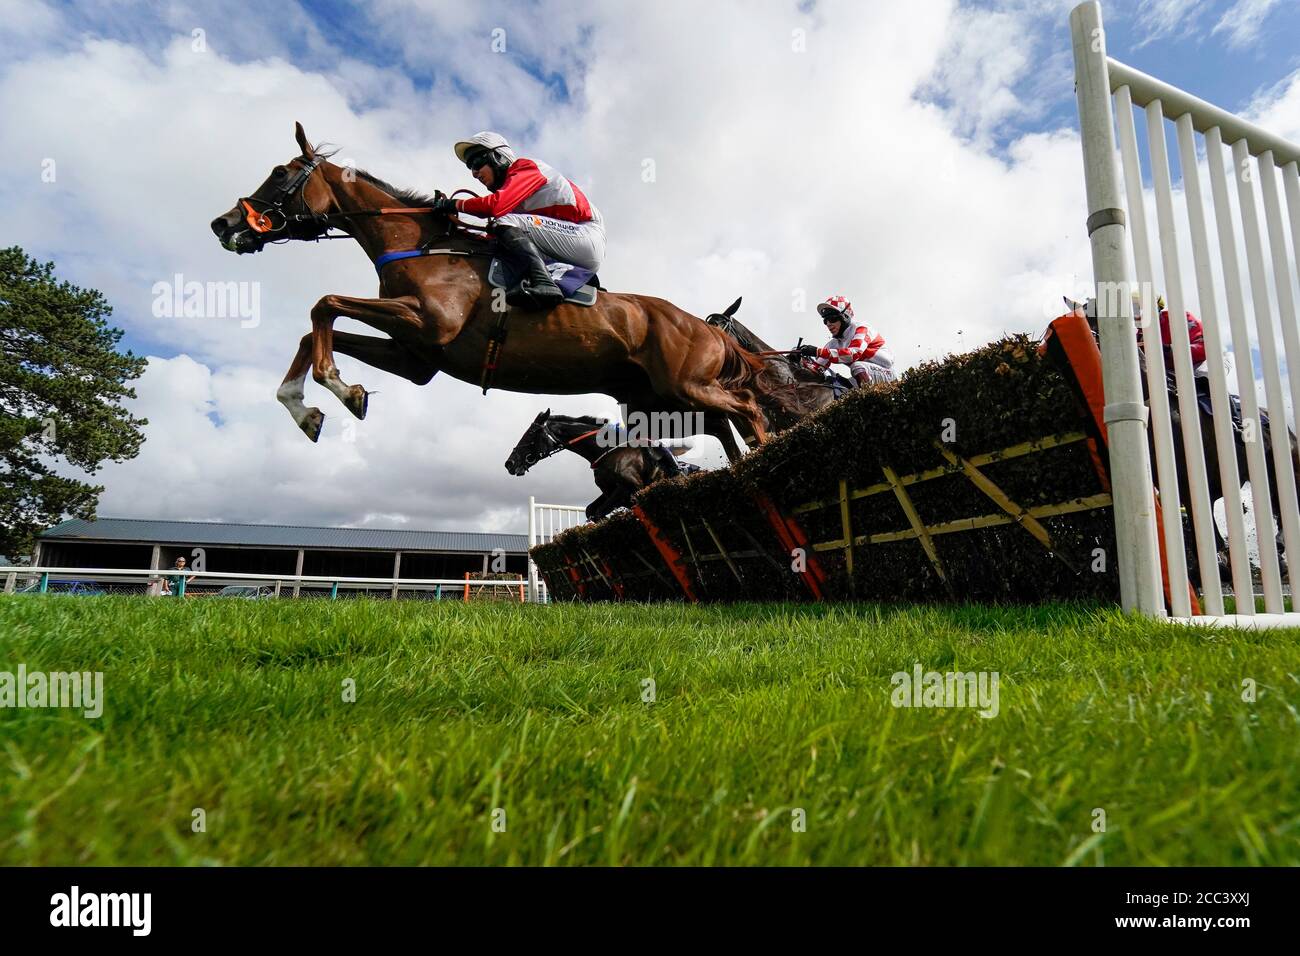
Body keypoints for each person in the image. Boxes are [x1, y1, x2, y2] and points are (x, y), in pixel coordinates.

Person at [433, 131, 606, 310]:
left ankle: (544, 283)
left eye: (477, 162)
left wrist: (452, 205)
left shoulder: (525, 167)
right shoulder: (514, 201)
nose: (474, 173)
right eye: (470, 167)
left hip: (585, 235)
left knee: (504, 222)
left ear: (498, 157)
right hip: (570, 244)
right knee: (500, 244)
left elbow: (494, 206)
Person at [793, 295, 897, 387]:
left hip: (888, 374)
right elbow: (817, 368)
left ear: (845, 317)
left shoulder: (861, 328)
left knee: (857, 367)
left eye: (832, 319)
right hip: (866, 375)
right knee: (835, 387)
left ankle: (871, 400)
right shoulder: (832, 344)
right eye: (825, 321)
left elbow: (854, 354)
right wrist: (799, 361)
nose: (828, 324)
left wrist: (817, 351)